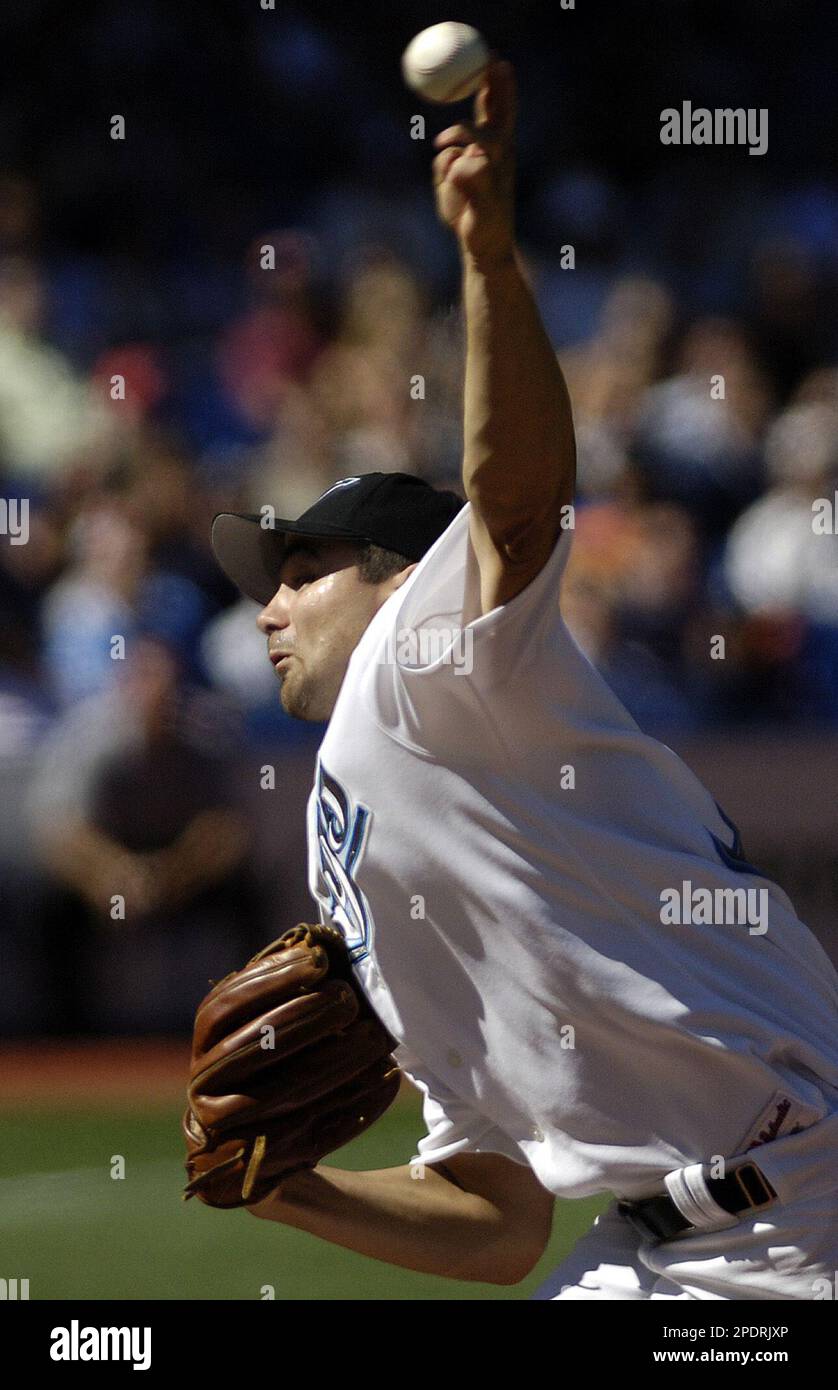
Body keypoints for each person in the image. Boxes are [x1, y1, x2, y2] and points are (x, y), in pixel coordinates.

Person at [209, 62, 838, 1299]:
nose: (268, 603)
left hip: (801, 1219)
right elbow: (499, 1224)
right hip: (666, 1245)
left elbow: (516, 497)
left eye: (303, 567)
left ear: (405, 581)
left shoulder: (434, 668)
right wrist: (288, 1184)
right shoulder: (354, 835)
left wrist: (489, 258)